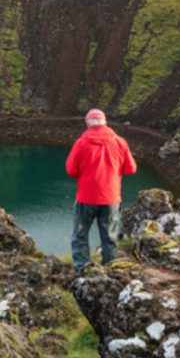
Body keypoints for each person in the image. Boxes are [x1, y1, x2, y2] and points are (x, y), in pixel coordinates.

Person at [66, 108, 137, 268]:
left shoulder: (81, 143)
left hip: (86, 197)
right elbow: (131, 169)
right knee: (109, 235)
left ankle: (82, 266)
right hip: (111, 197)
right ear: (105, 122)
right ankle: (110, 265)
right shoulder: (120, 142)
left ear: (88, 123)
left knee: (80, 234)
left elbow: (71, 170)